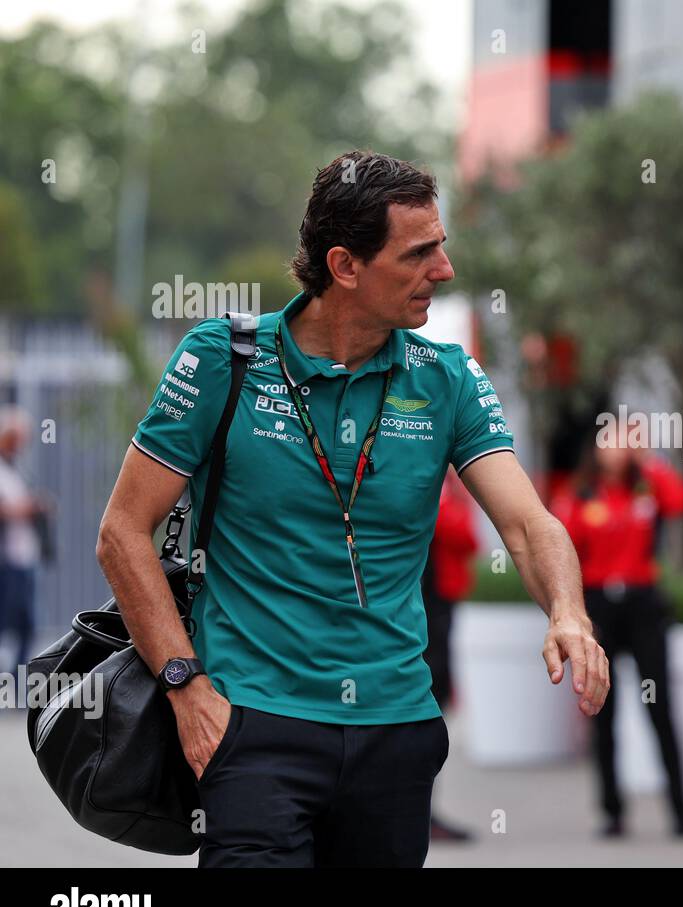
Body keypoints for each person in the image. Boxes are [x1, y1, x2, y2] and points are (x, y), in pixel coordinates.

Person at [97, 150, 609, 867]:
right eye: (419, 253)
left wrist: (567, 611)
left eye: (443, 245)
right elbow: (122, 531)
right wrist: (185, 687)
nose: (445, 269)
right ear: (345, 266)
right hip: (252, 725)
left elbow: (527, 524)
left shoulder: (446, 376)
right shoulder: (223, 359)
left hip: (395, 732)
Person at [550, 434, 683, 839]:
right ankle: (612, 812)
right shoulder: (582, 493)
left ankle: (682, 812)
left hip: (642, 606)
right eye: (610, 440)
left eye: (625, 442)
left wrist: (650, 459)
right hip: (600, 607)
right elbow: (560, 543)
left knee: (661, 710)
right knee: (603, 710)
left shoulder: (647, 486)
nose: (617, 449)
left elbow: (681, 502)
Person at [422, 469, 478, 842]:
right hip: (420, 613)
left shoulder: (444, 490)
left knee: (434, 709)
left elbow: (467, 539)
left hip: (438, 608)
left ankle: (426, 809)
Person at [0, 406, 50, 679]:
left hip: (24, 558)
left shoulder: (17, 468)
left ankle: (16, 684)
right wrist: (31, 507)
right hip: (7, 562)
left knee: (27, 627)